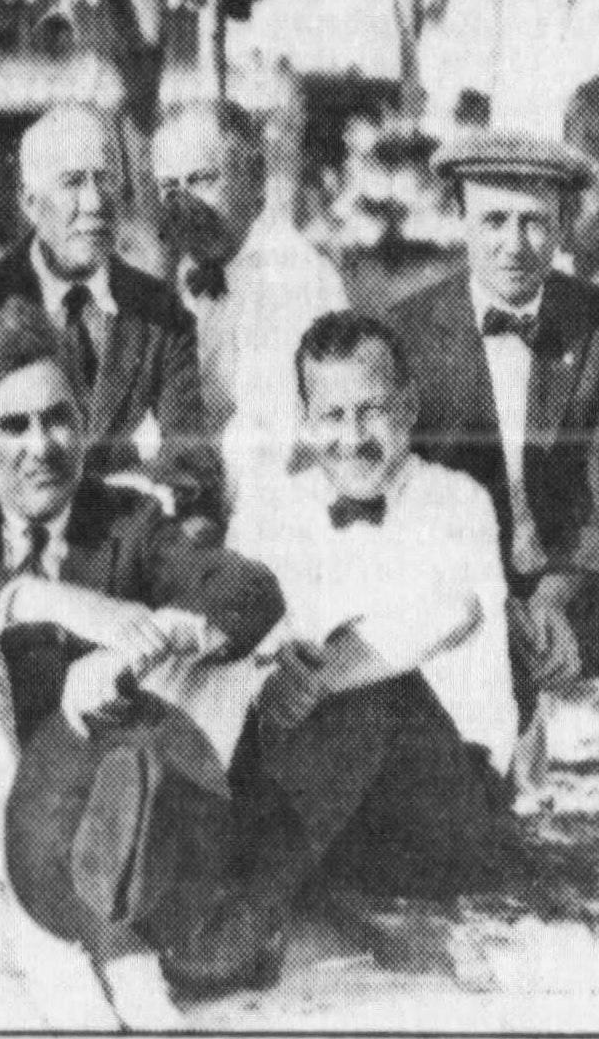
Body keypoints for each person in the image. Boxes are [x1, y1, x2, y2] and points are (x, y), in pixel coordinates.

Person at [0, 301, 283, 1031]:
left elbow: (250, 588)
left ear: (88, 419)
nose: (43, 446)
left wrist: (174, 632)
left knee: (211, 654)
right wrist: (52, 600)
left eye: (60, 417)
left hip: (98, 869)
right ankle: (76, 949)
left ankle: (112, 937)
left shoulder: (125, 522)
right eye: (14, 425)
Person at [168, 311, 516, 996]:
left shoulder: (458, 501)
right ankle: (184, 886)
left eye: (373, 411)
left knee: (374, 692)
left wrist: (323, 674)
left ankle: (244, 920)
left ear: (409, 407)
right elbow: (244, 629)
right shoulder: (272, 507)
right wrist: (274, 669)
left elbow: (450, 612)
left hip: (441, 801)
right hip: (316, 785)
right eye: (332, 415)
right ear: (305, 420)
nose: (353, 438)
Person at [390, 129, 599, 922]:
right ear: (460, 218)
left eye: (535, 222)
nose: (515, 244)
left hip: (572, 582)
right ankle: (493, 798)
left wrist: (556, 595)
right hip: (470, 597)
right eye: (493, 221)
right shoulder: (409, 334)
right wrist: (496, 607)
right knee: (476, 846)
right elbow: (410, 511)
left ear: (561, 226)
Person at [0, 102, 215, 531]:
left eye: (106, 179)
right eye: (73, 183)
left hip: (120, 541)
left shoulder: (160, 312)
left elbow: (189, 459)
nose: (94, 202)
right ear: (30, 202)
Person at [149, 101, 350, 542]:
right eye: (168, 187)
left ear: (254, 180)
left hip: (278, 524)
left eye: (203, 179)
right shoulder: (190, 275)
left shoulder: (297, 278)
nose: (183, 202)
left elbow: (274, 447)